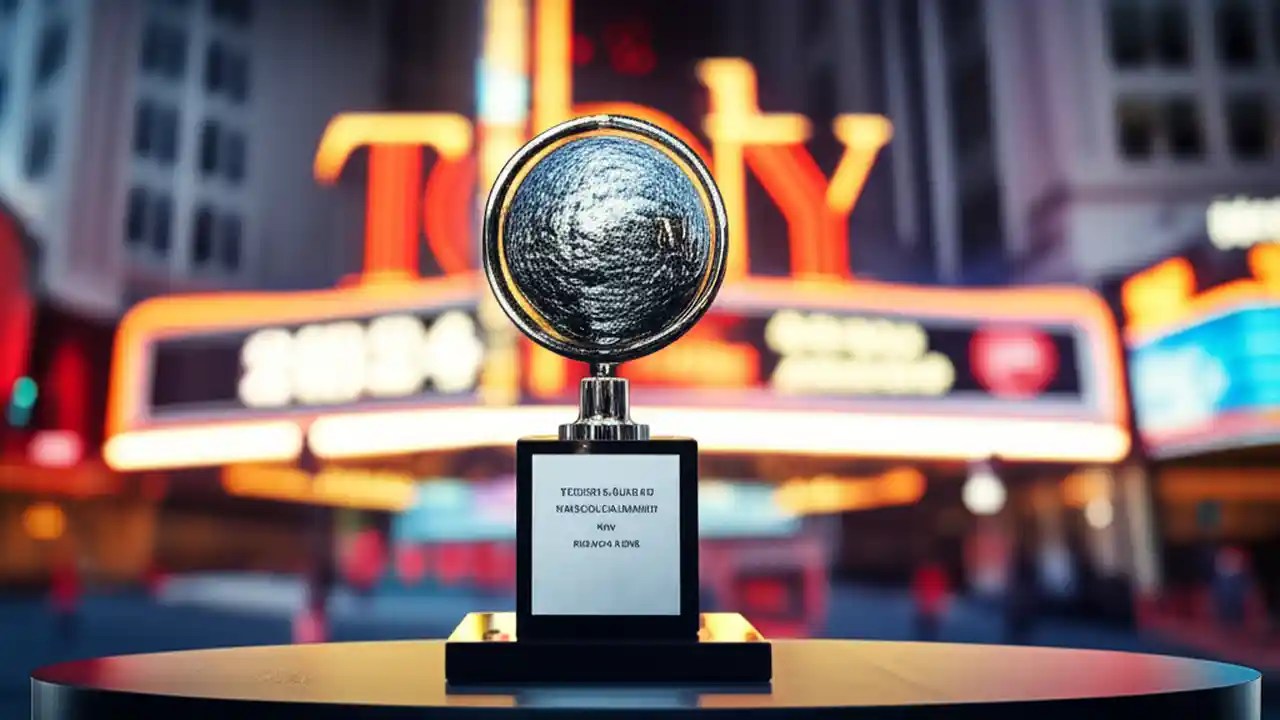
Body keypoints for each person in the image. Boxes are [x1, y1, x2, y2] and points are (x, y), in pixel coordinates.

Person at [912, 559, 950, 642]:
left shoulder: (933, 573)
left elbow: (941, 588)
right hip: (926, 608)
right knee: (925, 630)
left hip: (931, 607)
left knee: (931, 630)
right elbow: (918, 588)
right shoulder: (925, 573)